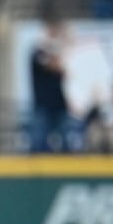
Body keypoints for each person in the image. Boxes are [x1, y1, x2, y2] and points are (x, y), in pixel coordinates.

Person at [30, 20, 71, 153]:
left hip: (58, 103)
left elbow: (63, 72)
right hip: (43, 104)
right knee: (39, 141)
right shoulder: (38, 53)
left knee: (65, 141)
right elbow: (52, 66)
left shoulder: (54, 53)